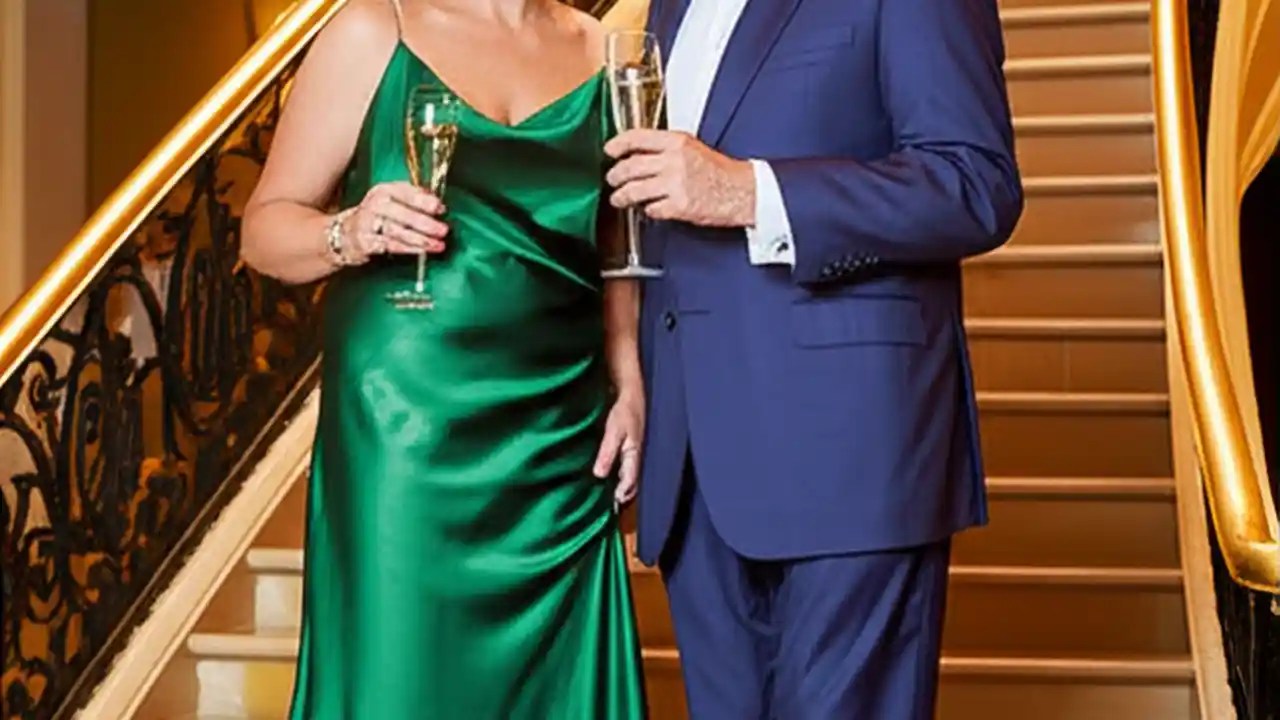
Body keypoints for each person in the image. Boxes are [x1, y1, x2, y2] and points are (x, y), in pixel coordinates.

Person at [606, 0, 1024, 717]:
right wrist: (631, 380)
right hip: (695, 460)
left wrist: (753, 193)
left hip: (854, 450)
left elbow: (976, 184)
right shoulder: (667, 5)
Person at [240, 0, 647, 716]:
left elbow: (615, 249)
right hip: (408, 429)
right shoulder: (373, 28)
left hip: (559, 434)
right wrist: (351, 231)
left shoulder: (600, 49)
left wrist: (630, 375)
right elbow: (265, 230)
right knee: (404, 679)